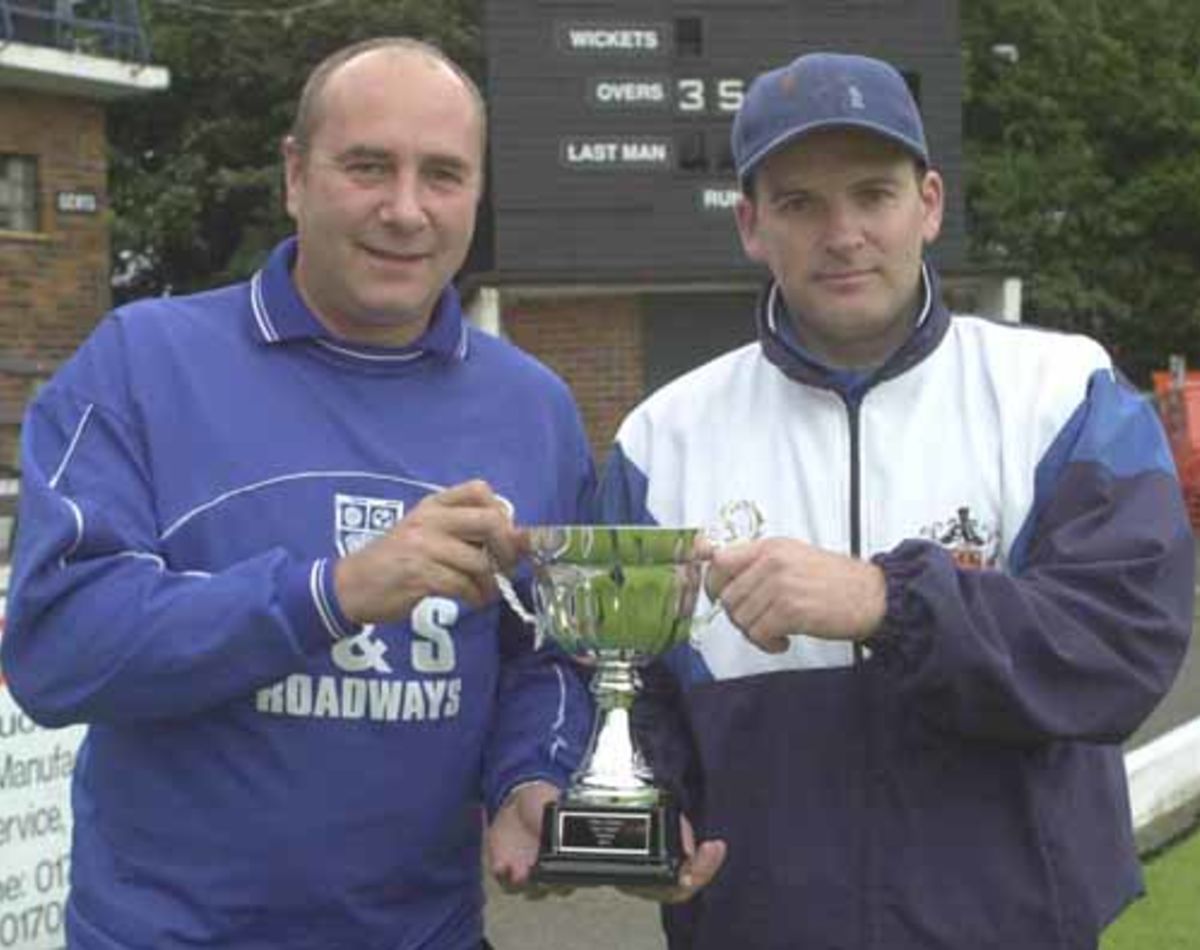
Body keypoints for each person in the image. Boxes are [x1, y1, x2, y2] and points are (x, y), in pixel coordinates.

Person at [1, 37, 596, 950]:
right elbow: (56, 649)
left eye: (442, 174)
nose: (405, 210)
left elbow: (546, 656)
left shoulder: (535, 408)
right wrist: (331, 594)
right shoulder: (140, 362)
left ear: (478, 191)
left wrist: (531, 778)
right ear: (294, 175)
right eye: (368, 167)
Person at [602, 51, 1195, 949]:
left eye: (873, 194)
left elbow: (1121, 642)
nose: (842, 234)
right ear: (750, 225)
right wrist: (656, 813)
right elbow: (626, 692)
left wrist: (887, 601)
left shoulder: (1062, 392)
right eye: (800, 203)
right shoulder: (660, 438)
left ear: (929, 204)